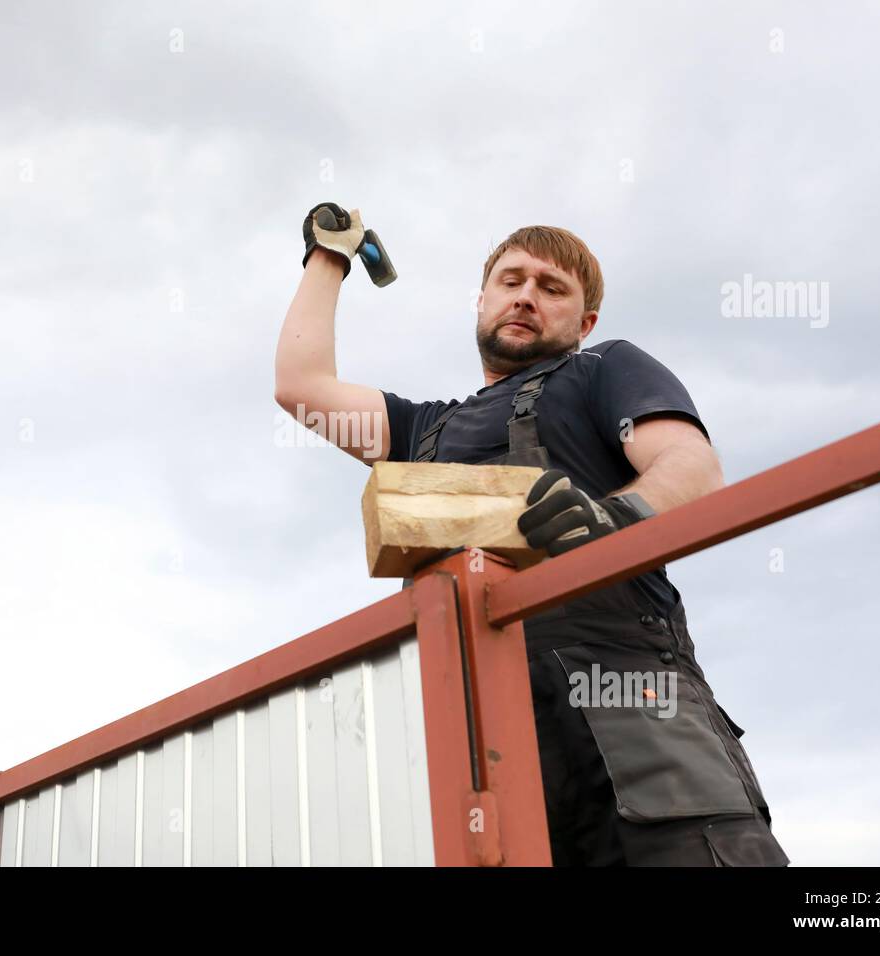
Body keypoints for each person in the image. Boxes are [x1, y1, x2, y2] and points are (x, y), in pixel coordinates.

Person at [274, 203, 789, 866]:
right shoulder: (421, 433)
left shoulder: (603, 370)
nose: (525, 297)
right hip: (483, 738)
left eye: (551, 288)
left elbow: (691, 465)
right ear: (482, 300)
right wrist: (330, 256)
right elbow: (302, 387)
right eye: (511, 281)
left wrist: (614, 518)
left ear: (585, 322)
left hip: (633, 712)